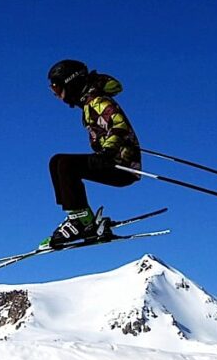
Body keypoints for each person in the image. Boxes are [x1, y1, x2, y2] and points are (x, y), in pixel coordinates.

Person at [42, 59, 142, 249]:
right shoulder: (89, 103)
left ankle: (81, 221)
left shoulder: (98, 101)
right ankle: (77, 216)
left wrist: (107, 152)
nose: (58, 96)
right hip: (113, 160)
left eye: (57, 88)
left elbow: (119, 126)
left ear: (71, 83)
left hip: (122, 165)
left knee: (65, 164)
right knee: (57, 162)